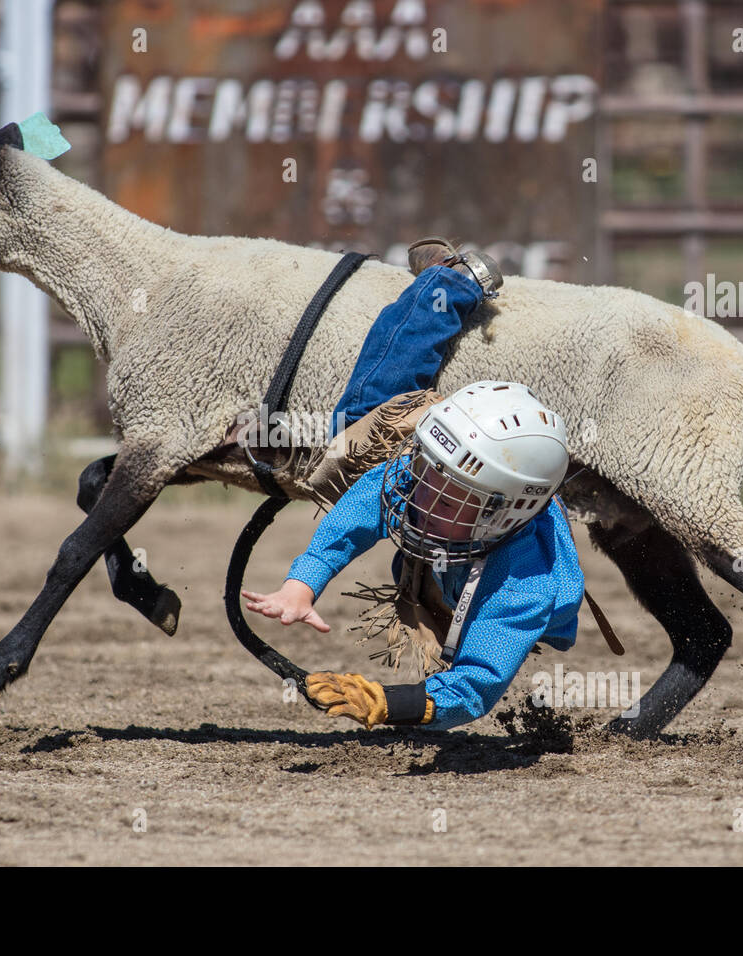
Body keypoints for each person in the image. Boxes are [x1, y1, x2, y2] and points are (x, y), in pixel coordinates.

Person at [241, 238, 585, 731]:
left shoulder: (522, 587)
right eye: (426, 474)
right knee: (372, 423)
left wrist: (385, 702)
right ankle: (445, 286)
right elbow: (364, 507)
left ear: (501, 514)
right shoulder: (416, 481)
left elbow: (474, 688)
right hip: (459, 537)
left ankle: (452, 281)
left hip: (486, 572)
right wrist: (303, 581)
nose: (418, 498)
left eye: (451, 496)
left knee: (361, 411)